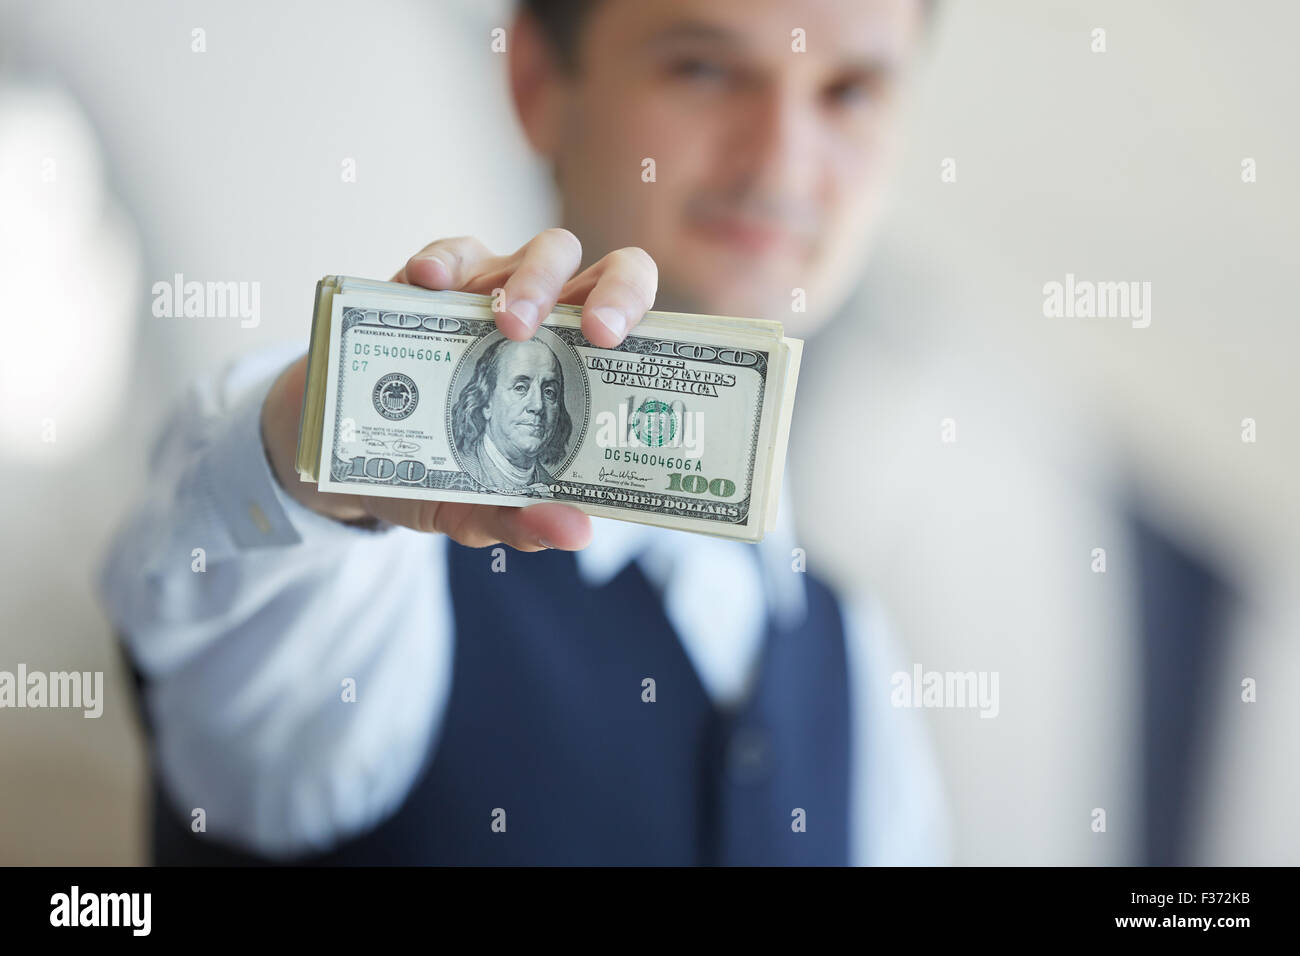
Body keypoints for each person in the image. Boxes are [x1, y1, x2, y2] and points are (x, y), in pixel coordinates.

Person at [100, 0, 948, 865]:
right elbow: (219, 552)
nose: (781, 163)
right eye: (704, 68)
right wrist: (308, 455)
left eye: (850, 91)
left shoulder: (860, 668)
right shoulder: (374, 565)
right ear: (537, 81)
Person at [450, 336, 572, 491]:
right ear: (487, 401)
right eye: (520, 387)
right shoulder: (460, 475)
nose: (538, 405)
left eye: (549, 392)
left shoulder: (555, 491)